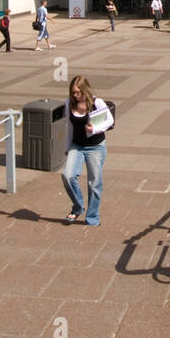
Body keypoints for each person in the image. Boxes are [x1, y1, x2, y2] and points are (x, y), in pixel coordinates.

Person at [61, 75, 113, 226]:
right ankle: (78, 207)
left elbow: (110, 120)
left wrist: (95, 128)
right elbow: (69, 127)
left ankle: (92, 217)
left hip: (96, 146)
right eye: (73, 93)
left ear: (85, 90)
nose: (76, 96)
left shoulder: (97, 102)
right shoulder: (69, 103)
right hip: (77, 145)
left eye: (78, 92)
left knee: (94, 183)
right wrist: (67, 147)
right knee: (68, 176)